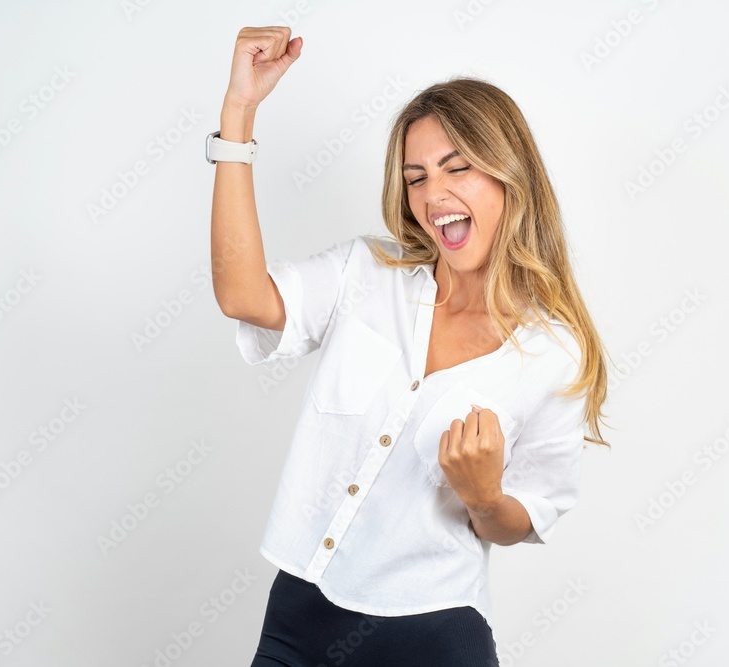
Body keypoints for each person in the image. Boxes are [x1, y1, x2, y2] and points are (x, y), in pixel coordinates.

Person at [210, 25, 611, 667]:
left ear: (511, 178)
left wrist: (483, 494)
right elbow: (241, 295)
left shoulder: (555, 356)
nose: (433, 196)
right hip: (300, 616)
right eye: (417, 177)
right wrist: (239, 113)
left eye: (458, 168)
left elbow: (524, 518)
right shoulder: (367, 273)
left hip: (431, 637)